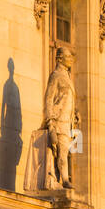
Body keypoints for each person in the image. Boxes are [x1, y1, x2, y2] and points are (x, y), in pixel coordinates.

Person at [43, 47, 79, 188]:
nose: (70, 59)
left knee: (67, 150)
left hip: (68, 122)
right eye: (68, 56)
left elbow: (67, 99)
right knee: (62, 151)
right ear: (59, 58)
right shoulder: (56, 76)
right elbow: (49, 99)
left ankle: (62, 178)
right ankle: (64, 179)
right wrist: (50, 122)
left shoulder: (67, 77)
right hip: (58, 120)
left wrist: (74, 113)